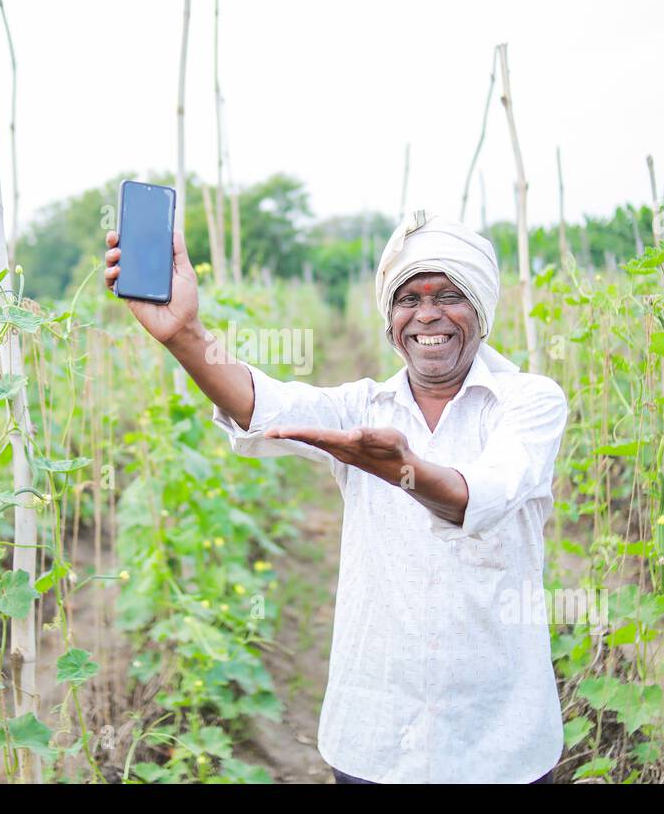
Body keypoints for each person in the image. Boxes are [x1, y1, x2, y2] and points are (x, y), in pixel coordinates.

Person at [103, 208, 568, 784]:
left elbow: (482, 497)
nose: (427, 315)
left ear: (482, 309)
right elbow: (259, 403)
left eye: (450, 295)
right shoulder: (361, 408)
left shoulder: (529, 402)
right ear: (389, 317)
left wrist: (405, 471)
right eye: (407, 299)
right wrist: (184, 335)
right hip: (377, 736)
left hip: (499, 741)